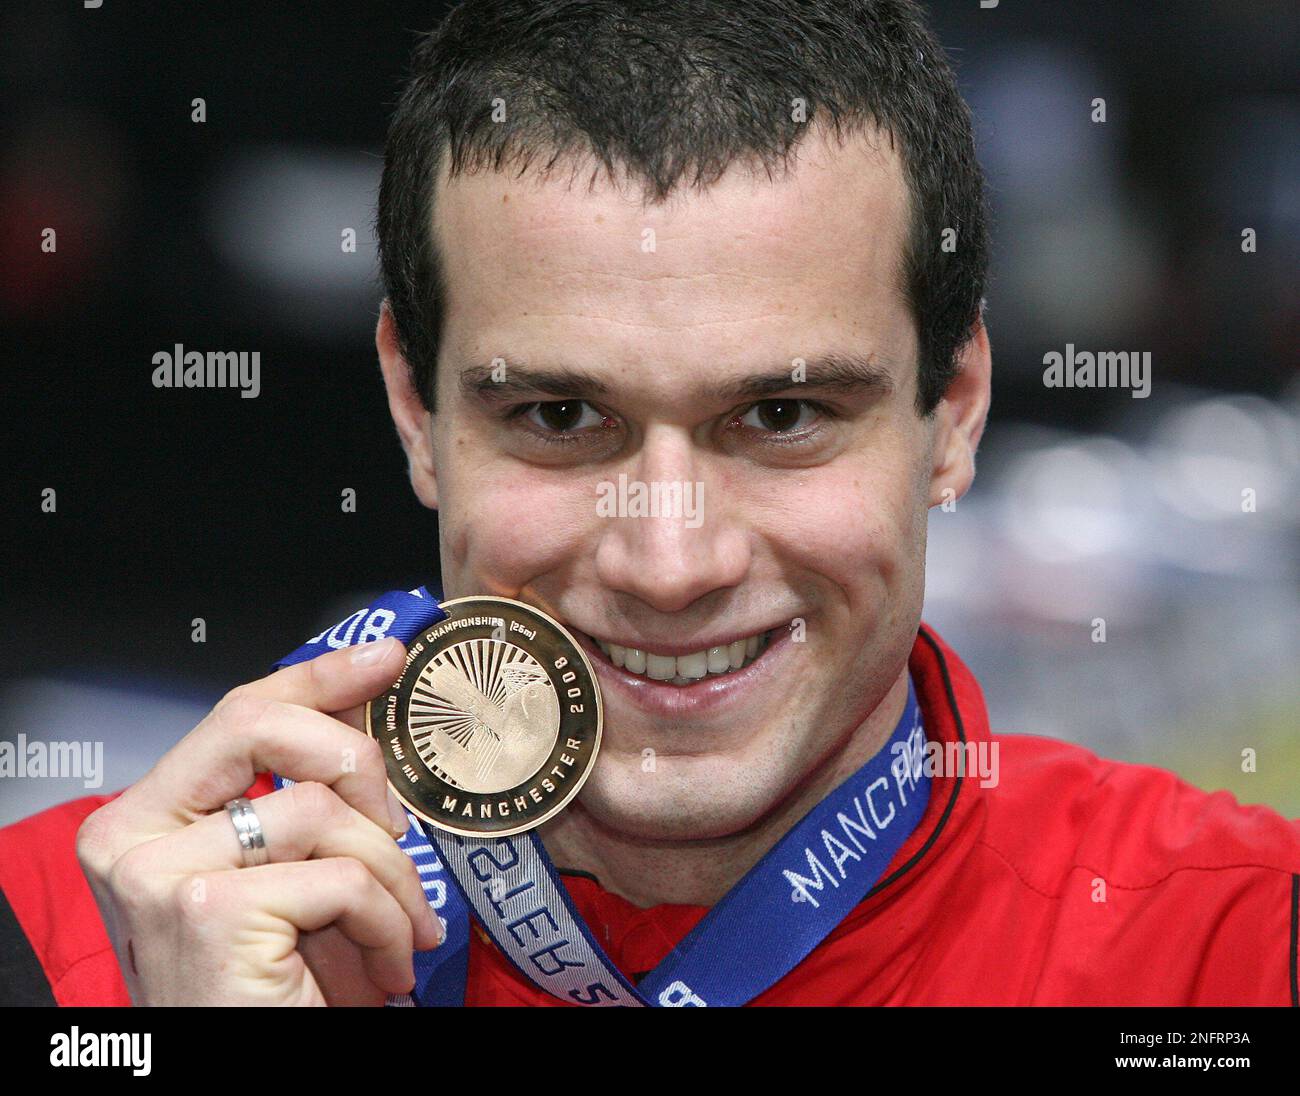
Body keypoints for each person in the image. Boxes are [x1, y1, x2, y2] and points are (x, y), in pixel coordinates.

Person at [1, 0, 1296, 1007]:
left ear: (954, 412)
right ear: (415, 411)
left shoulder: (1236, 946)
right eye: (561, 419)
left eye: (781, 418)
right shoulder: (83, 933)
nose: (671, 561)